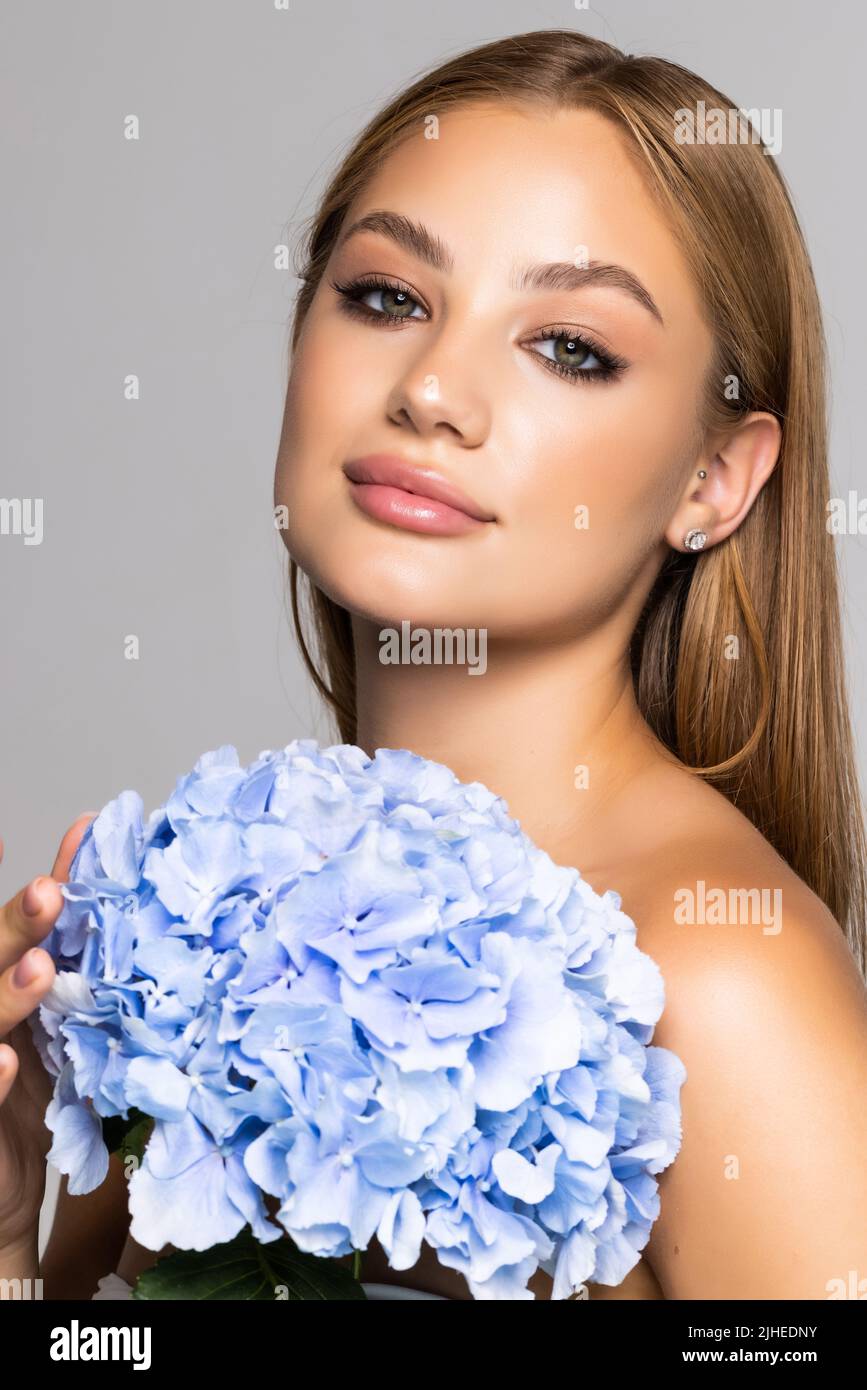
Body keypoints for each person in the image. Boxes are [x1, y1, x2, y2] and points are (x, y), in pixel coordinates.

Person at [3, 29, 866, 1301]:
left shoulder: (724, 985)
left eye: (570, 345)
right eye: (387, 296)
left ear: (713, 479)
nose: (434, 390)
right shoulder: (201, 927)